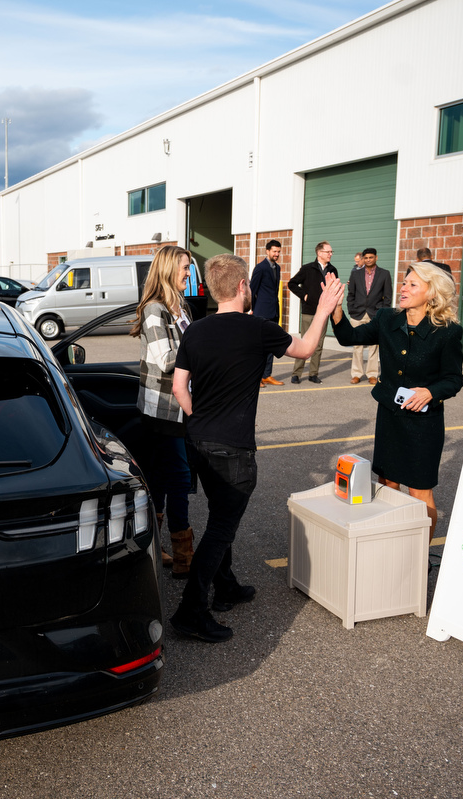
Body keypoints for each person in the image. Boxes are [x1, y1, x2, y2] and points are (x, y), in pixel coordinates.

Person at [170, 253, 346, 642]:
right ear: (241, 287)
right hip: (232, 448)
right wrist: (323, 309)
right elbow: (305, 348)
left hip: (197, 440)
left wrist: (201, 420)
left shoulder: (195, 331)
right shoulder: (258, 329)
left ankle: (226, 585)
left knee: (219, 514)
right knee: (220, 528)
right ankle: (191, 611)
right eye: (248, 283)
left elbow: (179, 387)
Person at [330, 262, 463, 537]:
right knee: (387, 483)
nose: (403, 288)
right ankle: (391, 542)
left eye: (412, 284)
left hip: (423, 423)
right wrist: (335, 307)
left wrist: (430, 392)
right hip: (390, 416)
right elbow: (348, 337)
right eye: (404, 283)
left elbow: (454, 379)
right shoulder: (386, 319)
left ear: (432, 292)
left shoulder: (448, 331)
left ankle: (420, 555)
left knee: (419, 490)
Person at [130, 245, 196, 578]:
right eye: (185, 267)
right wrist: (202, 346)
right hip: (163, 411)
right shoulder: (156, 310)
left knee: (160, 479)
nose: (189, 273)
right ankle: (184, 558)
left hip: (180, 407)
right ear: (170, 269)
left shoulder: (180, 306)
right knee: (181, 479)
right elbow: (166, 359)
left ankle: (155, 549)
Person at [286, 241, 339, 384]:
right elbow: (291, 283)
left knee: (319, 344)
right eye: (328, 252)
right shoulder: (307, 268)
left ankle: (313, 373)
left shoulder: (332, 270)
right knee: (303, 342)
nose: (330, 254)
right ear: (319, 253)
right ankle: (296, 373)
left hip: (324, 312)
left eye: (331, 252)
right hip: (309, 311)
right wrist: (305, 296)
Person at [345, 247, 393, 385]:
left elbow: (387, 297)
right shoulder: (355, 274)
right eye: (365, 258)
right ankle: (356, 374)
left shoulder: (384, 274)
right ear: (362, 259)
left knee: (374, 346)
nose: (368, 260)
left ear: (376, 258)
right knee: (357, 346)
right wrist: (351, 309)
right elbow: (351, 294)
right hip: (357, 314)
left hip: (375, 314)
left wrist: (382, 313)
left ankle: (372, 374)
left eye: (371, 257)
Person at [250, 240, 284, 386]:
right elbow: (252, 290)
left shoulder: (278, 268)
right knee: (259, 347)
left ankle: (266, 375)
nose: (276, 254)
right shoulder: (260, 268)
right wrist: (250, 309)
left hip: (273, 312)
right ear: (267, 251)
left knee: (270, 345)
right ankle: (256, 377)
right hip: (261, 312)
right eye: (274, 251)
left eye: (278, 252)